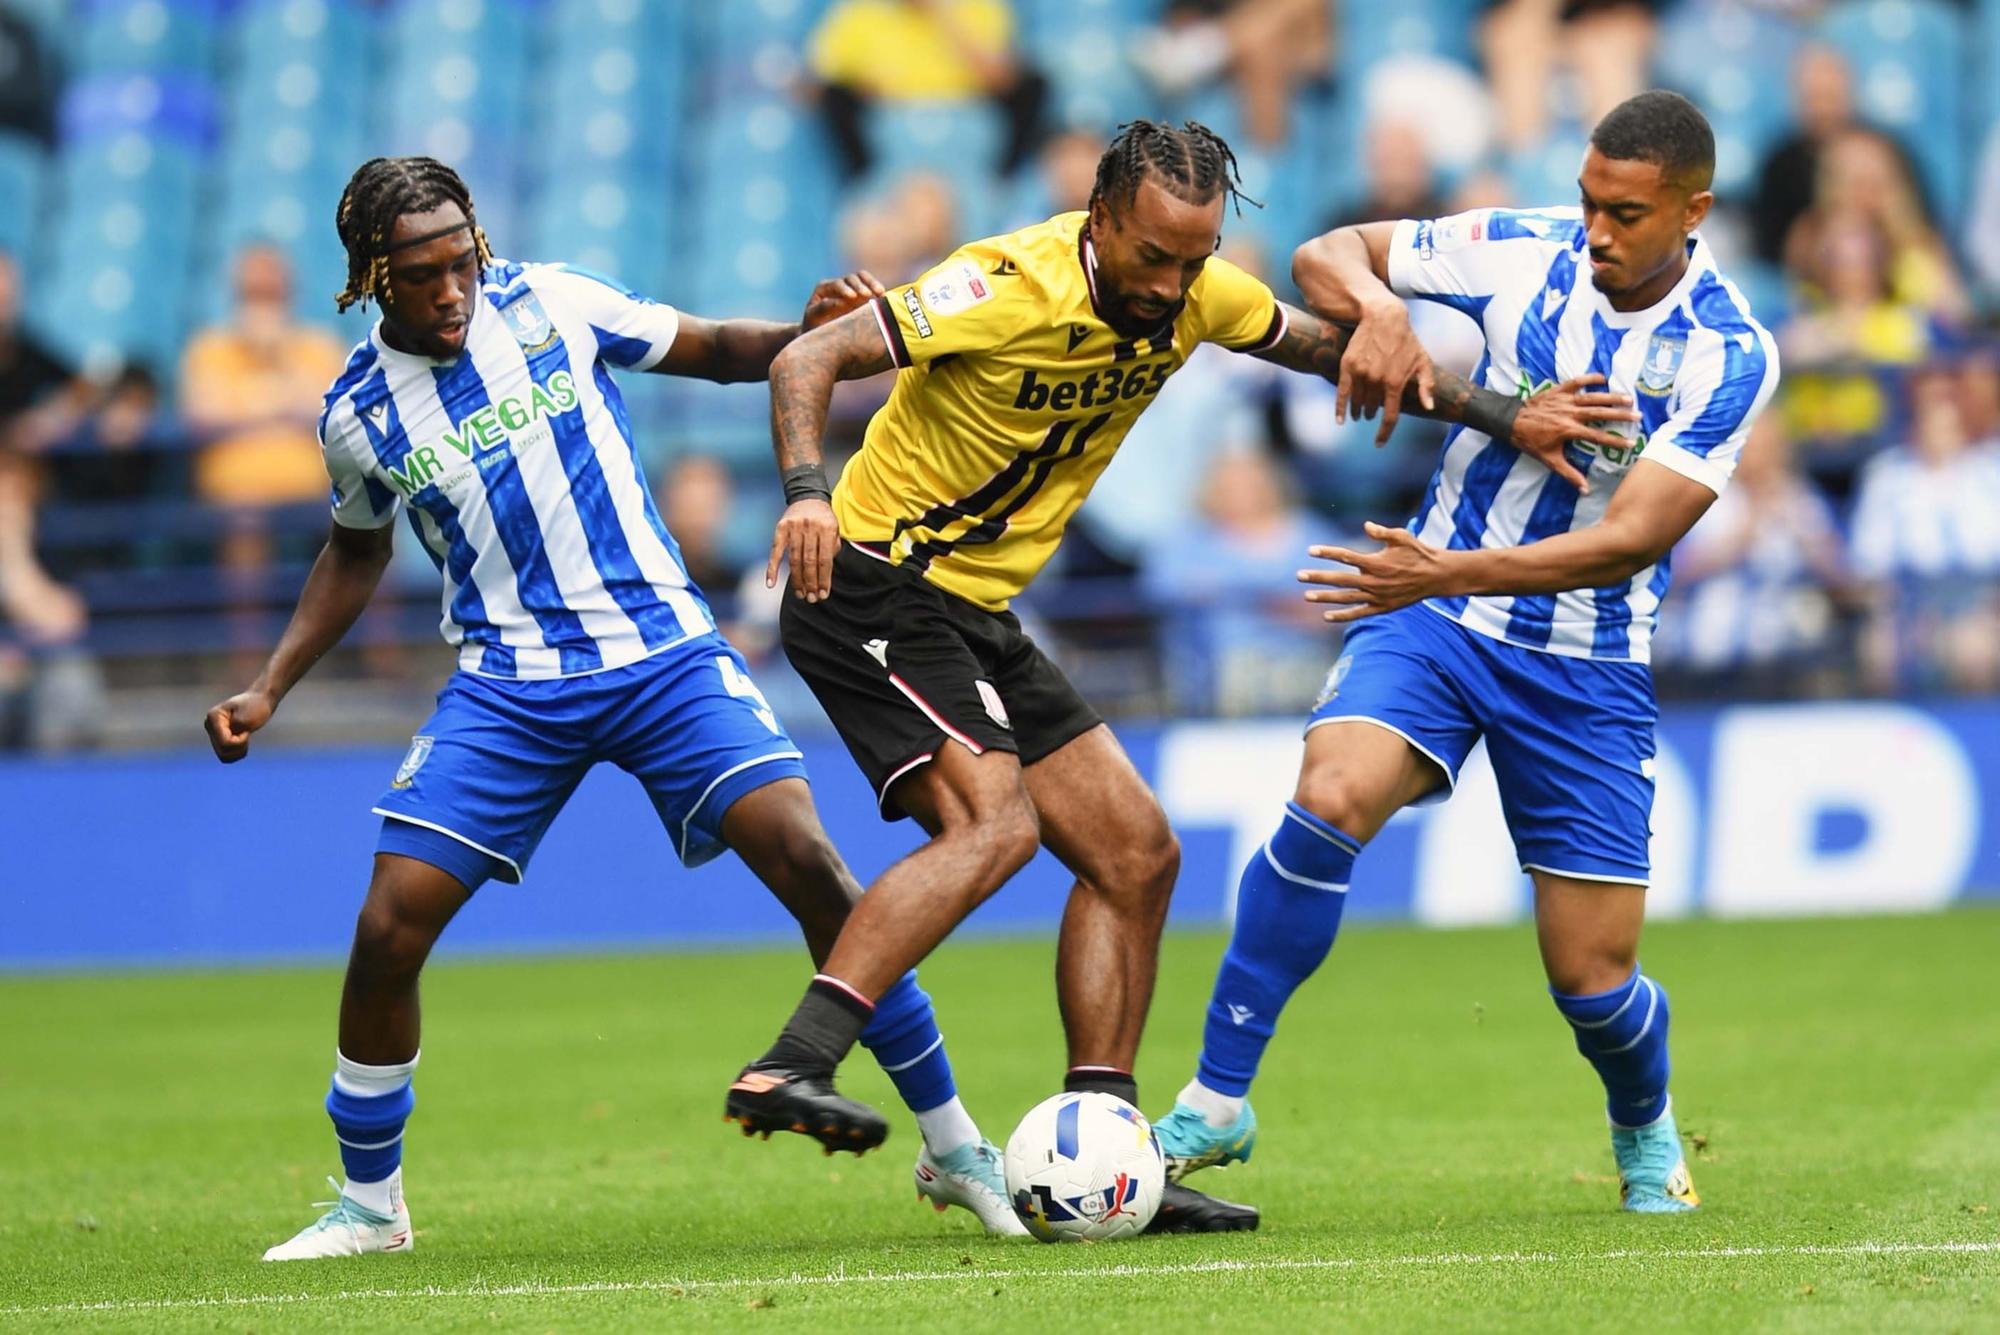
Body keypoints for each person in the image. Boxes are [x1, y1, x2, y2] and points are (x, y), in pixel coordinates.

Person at [722, 119, 1635, 1233]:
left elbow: (1336, 354)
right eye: (1153, 255)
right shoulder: (1002, 282)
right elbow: (805, 357)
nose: (1171, 283)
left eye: (1193, 259)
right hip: (869, 581)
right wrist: (806, 493)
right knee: (994, 827)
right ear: (1102, 218)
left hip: (972, 611)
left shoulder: (1200, 296)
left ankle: (1107, 1151)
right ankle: (795, 1058)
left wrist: (1506, 414)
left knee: (1135, 854)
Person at [205, 157, 1025, 1262]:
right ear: (370, 280)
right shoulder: (357, 413)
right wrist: (270, 683)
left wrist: (815, 336)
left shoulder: (553, 302)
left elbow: (717, 350)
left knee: (808, 862)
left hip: (662, 654)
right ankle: (369, 1206)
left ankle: (954, 1146)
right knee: (387, 928)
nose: (451, 291)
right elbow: (355, 552)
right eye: (422, 276)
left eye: (461, 263)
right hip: (508, 686)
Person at [1152, 91, 1780, 1215]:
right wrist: (1379, 313)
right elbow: (1325, 252)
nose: (1595, 231)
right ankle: (1216, 1098)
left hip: (1583, 660)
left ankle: (1642, 1122)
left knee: (1592, 982)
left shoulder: (1728, 351)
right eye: (1589, 202)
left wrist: (1443, 571)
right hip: (1436, 619)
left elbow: (1629, 539)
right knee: (1328, 795)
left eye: (1626, 214)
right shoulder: (1523, 246)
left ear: (1694, 212)